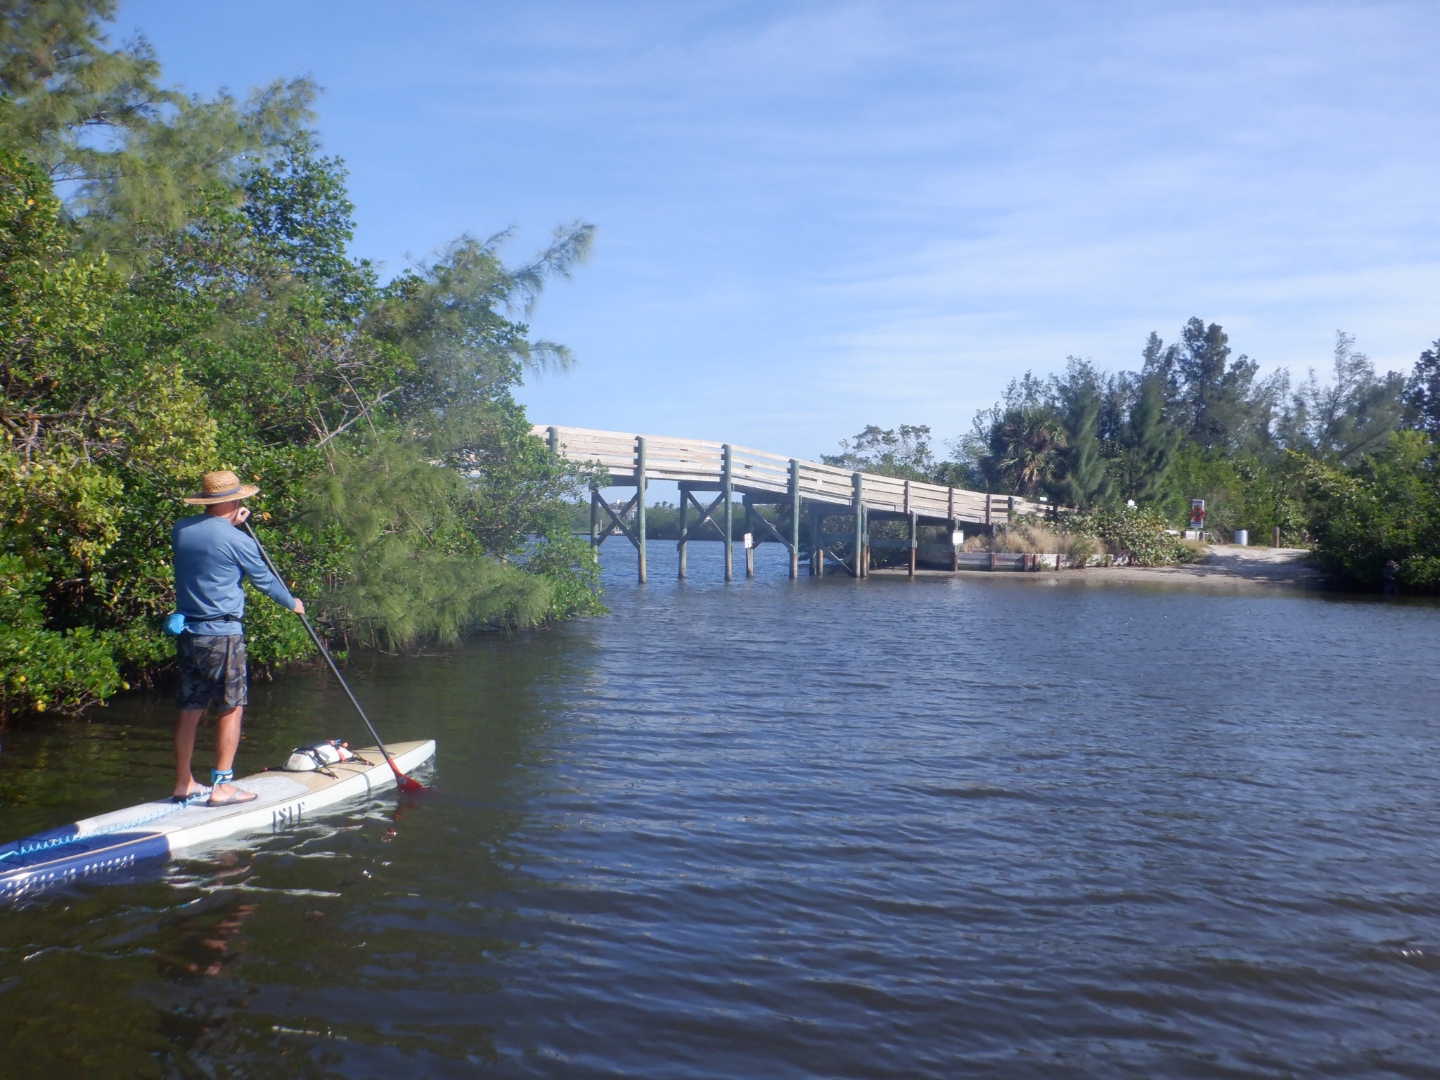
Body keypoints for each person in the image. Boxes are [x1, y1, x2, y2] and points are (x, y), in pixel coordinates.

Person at [171, 470, 304, 806]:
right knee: (231, 707)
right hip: (222, 635)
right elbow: (266, 582)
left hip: (189, 632)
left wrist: (229, 524)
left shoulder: (181, 530)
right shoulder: (238, 540)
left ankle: (184, 783)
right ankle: (223, 787)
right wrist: (292, 603)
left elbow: (210, 544)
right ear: (233, 500)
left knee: (190, 708)